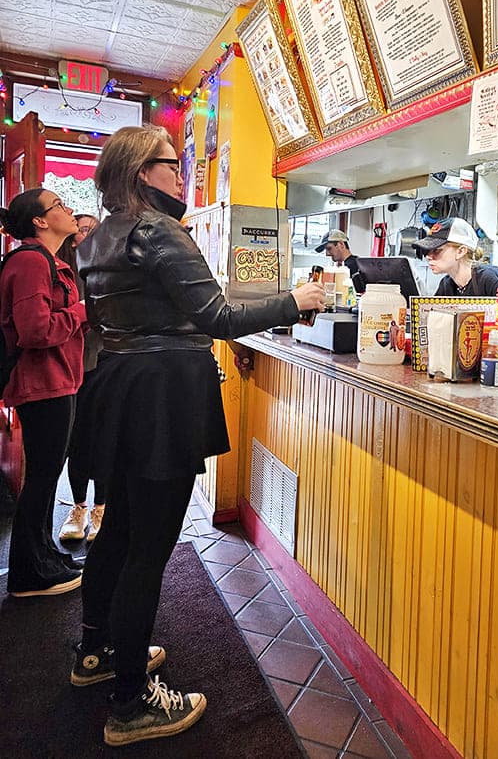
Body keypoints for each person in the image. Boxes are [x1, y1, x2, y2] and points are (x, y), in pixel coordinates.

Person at [72, 125, 325, 747]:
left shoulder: (97, 236)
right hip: (165, 394)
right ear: (140, 172)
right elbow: (219, 317)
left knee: (119, 528)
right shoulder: (158, 229)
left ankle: (95, 651)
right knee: (149, 547)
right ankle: (131, 702)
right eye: (171, 164)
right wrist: (297, 298)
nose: (180, 176)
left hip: (122, 386)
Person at [0, 188, 87, 597]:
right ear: (39, 221)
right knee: (41, 479)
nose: (68, 210)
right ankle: (26, 575)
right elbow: (35, 330)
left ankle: (43, 556)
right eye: (59, 205)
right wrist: (84, 312)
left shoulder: (50, 263)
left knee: (47, 478)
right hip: (42, 384)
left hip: (57, 381)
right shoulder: (32, 264)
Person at [56, 215, 106, 542]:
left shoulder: (109, 265)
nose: (83, 233)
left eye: (91, 229)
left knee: (105, 439)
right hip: (69, 367)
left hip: (104, 362)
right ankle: (79, 507)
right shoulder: (59, 268)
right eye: (80, 228)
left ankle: (101, 508)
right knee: (77, 441)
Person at [412, 216, 498, 296]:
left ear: (461, 251)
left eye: (436, 250)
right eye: (427, 251)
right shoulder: (446, 285)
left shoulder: (492, 280)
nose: (428, 256)